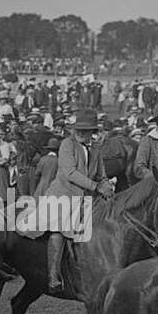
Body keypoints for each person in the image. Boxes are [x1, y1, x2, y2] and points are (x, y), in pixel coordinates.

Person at [44, 109, 114, 292]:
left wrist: (106, 185)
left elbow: (102, 174)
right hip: (63, 196)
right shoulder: (67, 145)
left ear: (93, 131)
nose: (81, 133)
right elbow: (69, 172)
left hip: (86, 199)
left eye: (86, 130)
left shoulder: (96, 148)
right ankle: (53, 275)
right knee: (59, 230)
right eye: (79, 130)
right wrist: (96, 186)